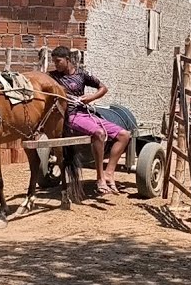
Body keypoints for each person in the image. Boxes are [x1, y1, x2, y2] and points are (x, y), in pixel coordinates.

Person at [47, 45, 131, 194]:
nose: (56, 64)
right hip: (71, 116)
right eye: (54, 61)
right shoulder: (52, 77)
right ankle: (100, 178)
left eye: (58, 61)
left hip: (87, 113)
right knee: (99, 133)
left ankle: (109, 173)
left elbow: (103, 88)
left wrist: (90, 98)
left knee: (125, 135)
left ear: (67, 60)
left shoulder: (81, 75)